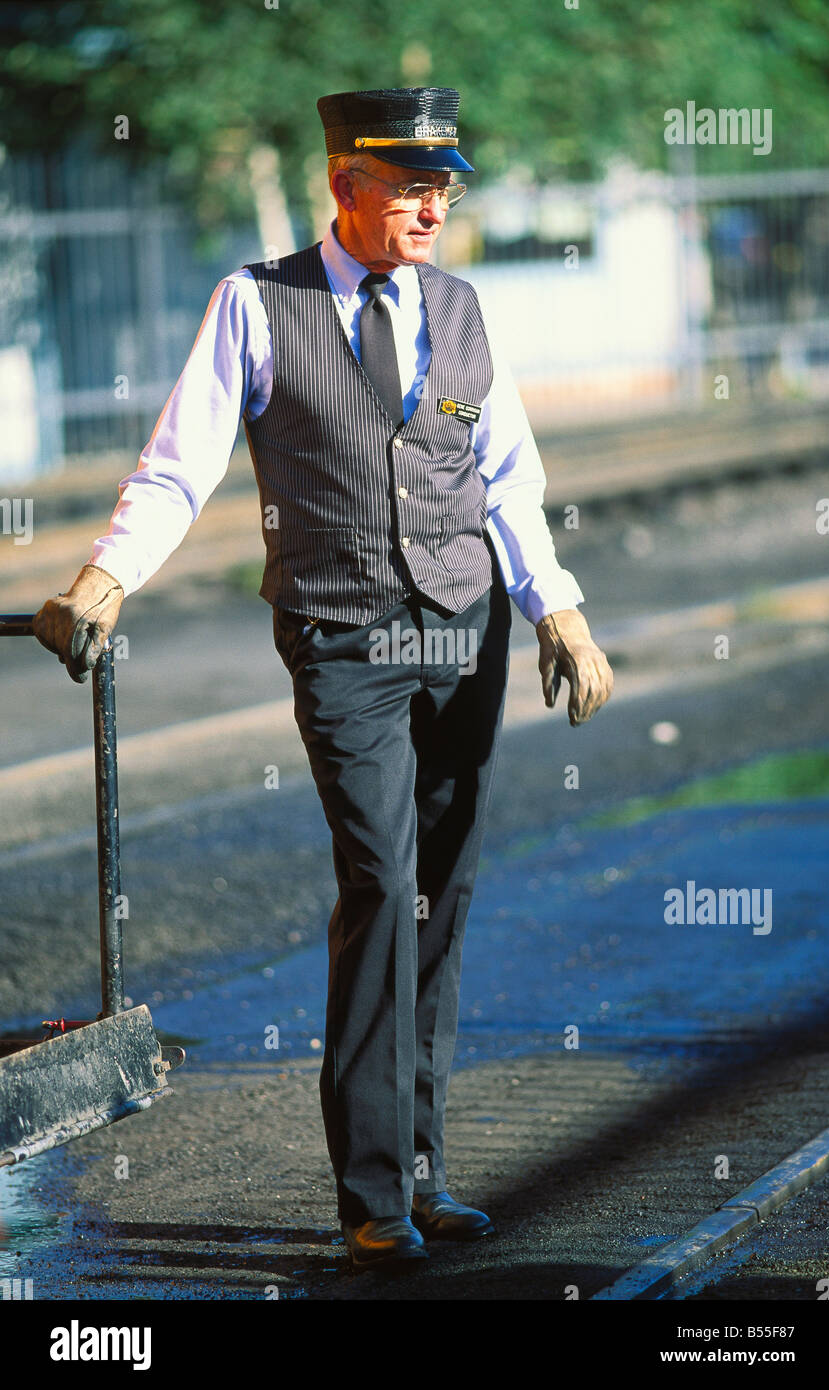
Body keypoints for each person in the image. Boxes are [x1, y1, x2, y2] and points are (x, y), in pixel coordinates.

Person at [33, 86, 613, 1272]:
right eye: (409, 184)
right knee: (381, 875)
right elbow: (179, 461)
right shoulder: (256, 300)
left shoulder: (458, 308)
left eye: (444, 187)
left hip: (460, 629)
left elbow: (504, 473)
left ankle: (426, 1169)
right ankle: (370, 1191)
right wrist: (107, 575)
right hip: (340, 631)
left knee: (439, 892)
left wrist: (556, 607)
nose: (431, 207)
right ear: (345, 182)